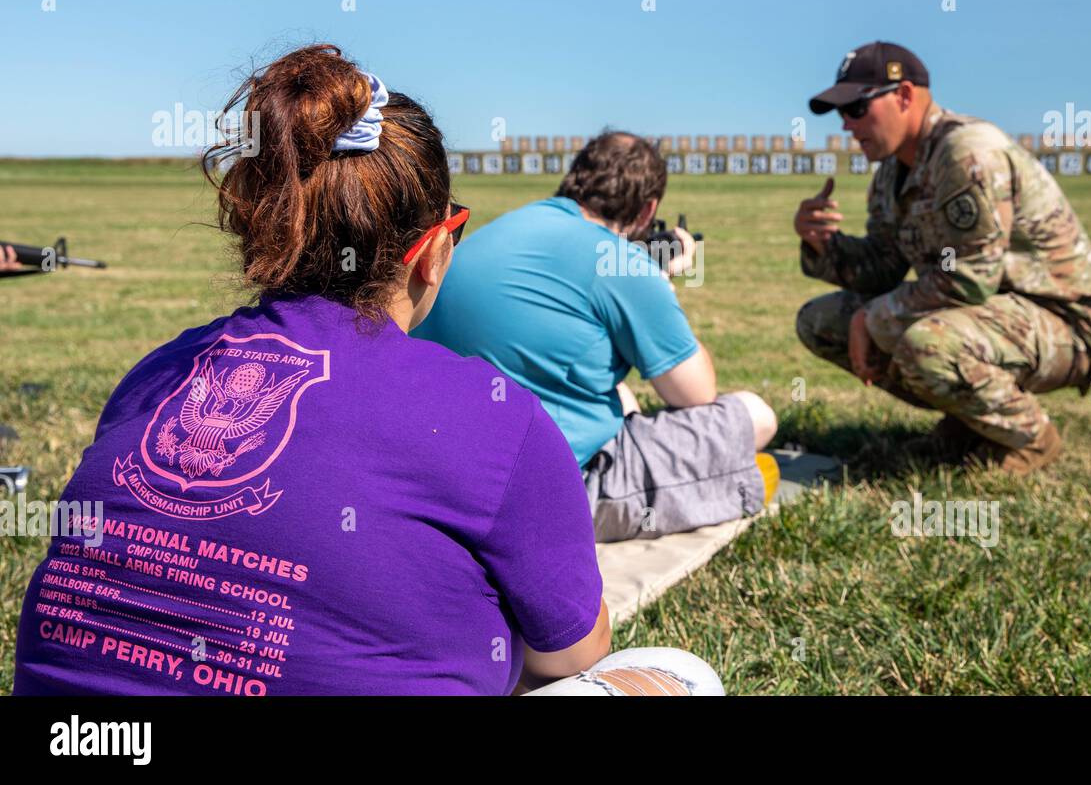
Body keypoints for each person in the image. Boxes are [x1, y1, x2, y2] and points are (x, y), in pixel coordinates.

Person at [12, 45, 721, 696]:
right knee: (679, 675)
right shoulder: (496, 416)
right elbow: (570, 655)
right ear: (436, 249)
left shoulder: (155, 375)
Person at [415, 130, 779, 542]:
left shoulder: (508, 229)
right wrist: (659, 286)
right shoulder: (624, 264)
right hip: (555, 491)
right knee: (756, 415)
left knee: (618, 392)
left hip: (449, 474)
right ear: (649, 209)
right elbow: (694, 394)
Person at [795, 41, 1091, 474]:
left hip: (1060, 321)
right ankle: (970, 422)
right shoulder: (893, 172)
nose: (848, 125)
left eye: (857, 108)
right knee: (820, 323)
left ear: (905, 96)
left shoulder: (967, 153)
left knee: (924, 343)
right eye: (842, 114)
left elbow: (971, 276)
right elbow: (883, 266)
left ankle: (1030, 439)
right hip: (984, 315)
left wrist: (872, 317)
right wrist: (823, 243)